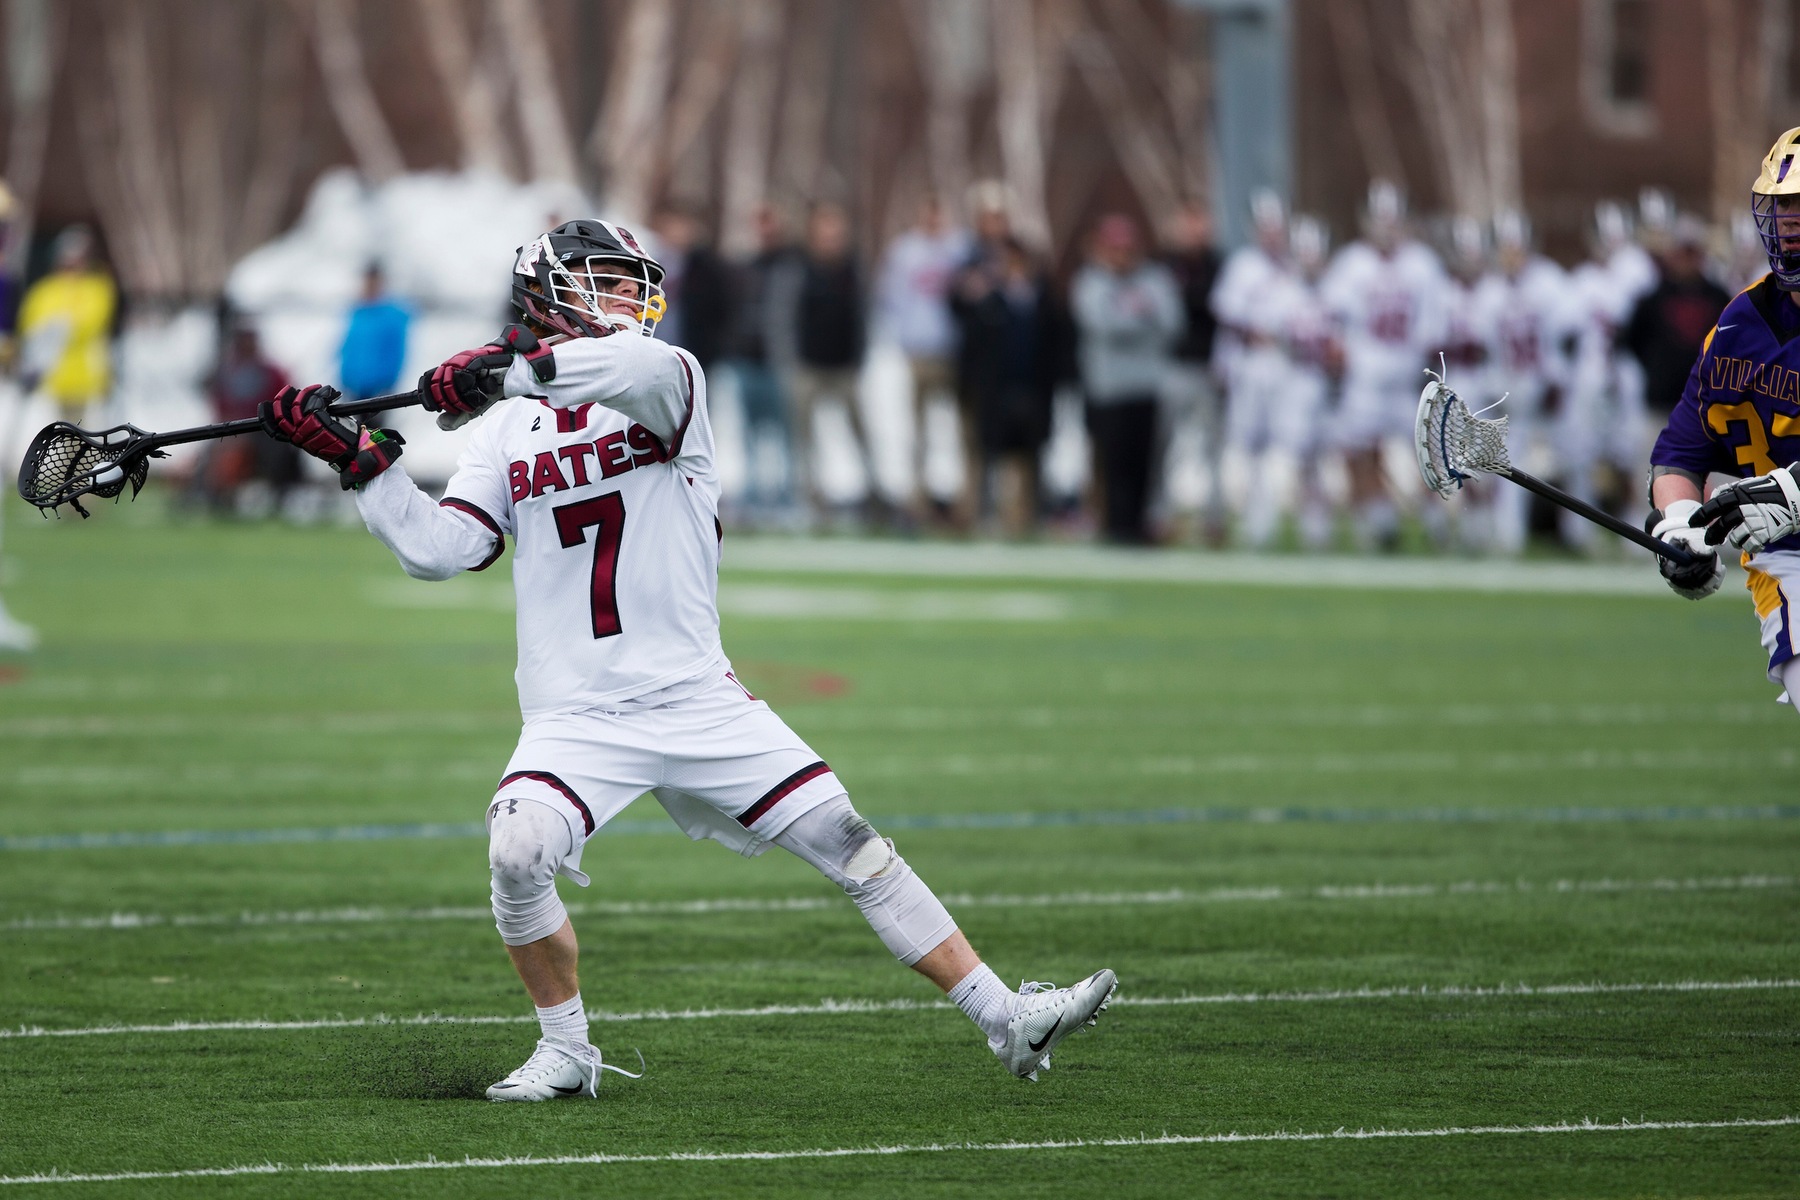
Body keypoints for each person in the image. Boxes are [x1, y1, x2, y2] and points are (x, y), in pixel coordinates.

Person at [256, 218, 1118, 1099]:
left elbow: (621, 370)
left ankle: (1005, 1016)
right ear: (549, 293)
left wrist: (503, 367)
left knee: (849, 841)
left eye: (633, 282)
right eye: (607, 280)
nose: (631, 297)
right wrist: (363, 466)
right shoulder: (504, 431)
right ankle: (567, 1049)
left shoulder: (671, 380)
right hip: (577, 712)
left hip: (695, 695)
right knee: (517, 851)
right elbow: (441, 549)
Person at [1648, 128, 1800, 715]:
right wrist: (1683, 525)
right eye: (1783, 202)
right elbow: (1681, 454)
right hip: (1791, 559)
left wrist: (1790, 489)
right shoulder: (1738, 326)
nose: (1790, 218)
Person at [1321, 182, 1446, 550]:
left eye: (1392, 220)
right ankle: (1376, 521)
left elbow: (1434, 325)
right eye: (1380, 220)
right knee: (1358, 449)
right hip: (1365, 375)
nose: (1386, 228)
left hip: (1410, 375)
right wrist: (1340, 355)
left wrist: (1429, 367)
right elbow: (1332, 321)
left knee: (1428, 447)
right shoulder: (1351, 263)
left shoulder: (1422, 263)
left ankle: (1436, 520)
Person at [1070, 213, 1184, 543]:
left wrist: (1133, 321)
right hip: (1108, 387)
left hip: (1147, 385)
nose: (1121, 255)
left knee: (1146, 463)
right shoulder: (1091, 281)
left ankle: (1140, 525)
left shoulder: (1155, 280)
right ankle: (1114, 526)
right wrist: (1140, 320)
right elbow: (1102, 324)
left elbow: (1171, 323)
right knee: (1112, 463)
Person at [1471, 212, 1572, 555]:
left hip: (1545, 388)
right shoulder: (1488, 290)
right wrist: (1492, 391)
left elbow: (1567, 339)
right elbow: (1482, 351)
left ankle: (1573, 533)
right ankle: (1508, 537)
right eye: (1506, 249)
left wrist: (1557, 381)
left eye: (1516, 249)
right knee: (1505, 465)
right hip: (1507, 389)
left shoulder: (1549, 281)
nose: (1511, 257)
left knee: (1570, 461)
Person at [948, 236, 1059, 537]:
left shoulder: (1040, 299)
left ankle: (1030, 516)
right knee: (989, 454)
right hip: (994, 392)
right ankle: (985, 515)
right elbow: (969, 338)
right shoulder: (988, 301)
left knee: (1032, 457)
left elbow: (1054, 344)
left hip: (1032, 388)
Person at [876, 195, 971, 524]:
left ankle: (962, 499)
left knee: (960, 430)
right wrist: (902, 338)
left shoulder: (958, 248)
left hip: (953, 350)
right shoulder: (905, 252)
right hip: (918, 350)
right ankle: (918, 497)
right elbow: (892, 296)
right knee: (917, 430)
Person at [787, 202, 873, 519]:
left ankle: (871, 496)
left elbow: (862, 316)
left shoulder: (852, 269)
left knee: (861, 433)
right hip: (809, 365)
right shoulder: (801, 267)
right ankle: (812, 503)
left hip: (845, 366)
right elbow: (786, 315)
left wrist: (861, 356)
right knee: (806, 439)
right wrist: (791, 357)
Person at [720, 205, 802, 520]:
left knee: (784, 434)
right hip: (746, 360)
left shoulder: (791, 266)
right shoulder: (744, 267)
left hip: (779, 361)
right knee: (749, 434)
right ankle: (754, 498)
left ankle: (785, 497)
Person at [1160, 201, 1226, 542]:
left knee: (1212, 448)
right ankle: (1162, 516)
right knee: (1166, 447)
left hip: (1208, 367)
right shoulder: (1164, 265)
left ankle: (1214, 519)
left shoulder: (1219, 265)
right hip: (1172, 365)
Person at [1623, 216, 1730, 421]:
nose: (1687, 260)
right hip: (1662, 402)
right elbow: (1633, 339)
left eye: (1693, 253)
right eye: (1683, 252)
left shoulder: (1719, 298)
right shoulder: (1654, 298)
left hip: (1706, 403)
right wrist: (1657, 367)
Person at [190, 322, 297, 513]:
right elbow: (218, 400)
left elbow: (283, 399)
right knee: (211, 452)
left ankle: (282, 494)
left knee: (281, 450)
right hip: (232, 427)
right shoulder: (226, 371)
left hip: (263, 429)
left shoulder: (270, 371)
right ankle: (204, 494)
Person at [17, 224, 116, 426]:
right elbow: (30, 325)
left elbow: (90, 323)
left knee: (89, 439)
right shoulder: (44, 290)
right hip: (51, 378)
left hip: (88, 378)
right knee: (57, 440)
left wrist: (59, 327)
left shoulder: (97, 287)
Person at [650, 205, 732, 372]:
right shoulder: (649, 263)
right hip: (652, 348)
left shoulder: (706, 269)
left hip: (691, 352)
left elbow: (720, 310)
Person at [339, 265, 411, 411]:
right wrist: (345, 379)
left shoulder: (392, 315)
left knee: (376, 432)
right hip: (353, 386)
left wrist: (388, 383)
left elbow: (397, 352)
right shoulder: (357, 313)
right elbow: (348, 347)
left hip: (379, 389)